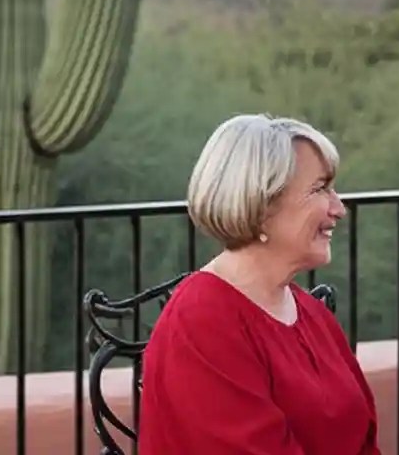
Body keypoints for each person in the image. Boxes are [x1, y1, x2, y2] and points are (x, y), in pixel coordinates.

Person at [139, 114, 381, 455]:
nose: (339, 208)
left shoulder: (311, 313)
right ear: (262, 205)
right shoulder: (201, 321)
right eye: (319, 189)